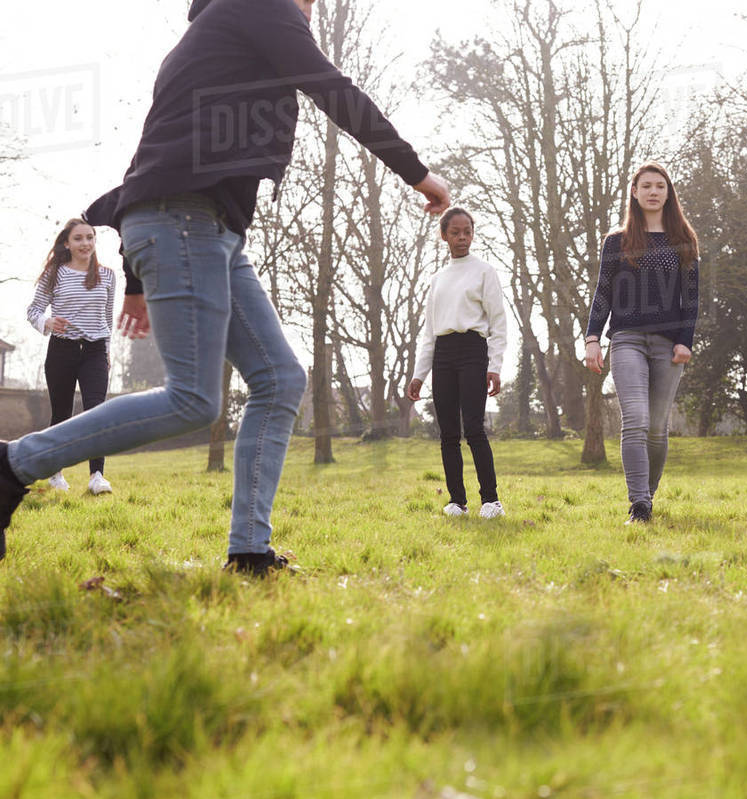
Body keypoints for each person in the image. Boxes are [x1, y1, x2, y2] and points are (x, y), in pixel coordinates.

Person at [0, 0, 451, 572]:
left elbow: (148, 156)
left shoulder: (213, 35)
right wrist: (416, 172)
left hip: (202, 228)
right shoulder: (256, 5)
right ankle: (15, 462)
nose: (309, 10)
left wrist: (135, 277)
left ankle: (248, 550)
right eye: (308, 1)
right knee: (192, 399)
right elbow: (332, 88)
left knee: (280, 378)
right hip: (183, 223)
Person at [584, 162, 700, 524]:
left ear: (668, 193)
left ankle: (646, 497)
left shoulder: (685, 241)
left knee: (657, 426)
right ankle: (639, 505)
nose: (653, 191)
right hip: (627, 338)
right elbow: (603, 291)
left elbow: (691, 299)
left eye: (660, 186)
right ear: (634, 192)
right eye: (646, 185)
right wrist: (592, 338)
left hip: (668, 345)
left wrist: (685, 341)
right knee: (635, 418)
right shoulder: (617, 241)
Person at [407, 208, 508, 519]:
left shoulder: (484, 272)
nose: (462, 238)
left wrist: (495, 365)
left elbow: (498, 322)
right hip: (444, 354)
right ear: (444, 236)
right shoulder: (437, 279)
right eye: (455, 232)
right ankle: (457, 502)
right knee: (448, 433)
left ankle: (491, 501)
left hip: (473, 351)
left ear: (472, 234)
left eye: (467, 231)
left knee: (474, 428)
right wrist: (419, 375)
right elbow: (428, 332)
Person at [26, 220, 116, 495]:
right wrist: (48, 322)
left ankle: (97, 476)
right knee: (62, 414)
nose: (85, 243)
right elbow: (33, 311)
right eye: (78, 238)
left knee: (96, 411)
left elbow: (108, 316)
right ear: (67, 243)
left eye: (90, 238)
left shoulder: (108, 275)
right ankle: (56, 473)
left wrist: (107, 350)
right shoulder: (55, 274)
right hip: (62, 350)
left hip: (95, 351)